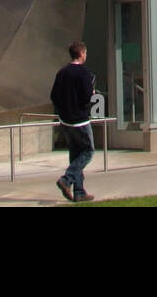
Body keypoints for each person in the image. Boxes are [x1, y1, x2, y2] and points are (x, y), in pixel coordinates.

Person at [49, 40, 96, 202]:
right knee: (88, 151)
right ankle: (66, 179)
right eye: (86, 53)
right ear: (81, 53)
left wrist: (63, 110)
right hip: (80, 121)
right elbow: (87, 97)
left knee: (76, 154)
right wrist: (91, 93)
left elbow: (54, 96)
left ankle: (80, 192)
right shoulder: (84, 73)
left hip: (66, 120)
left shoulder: (62, 72)